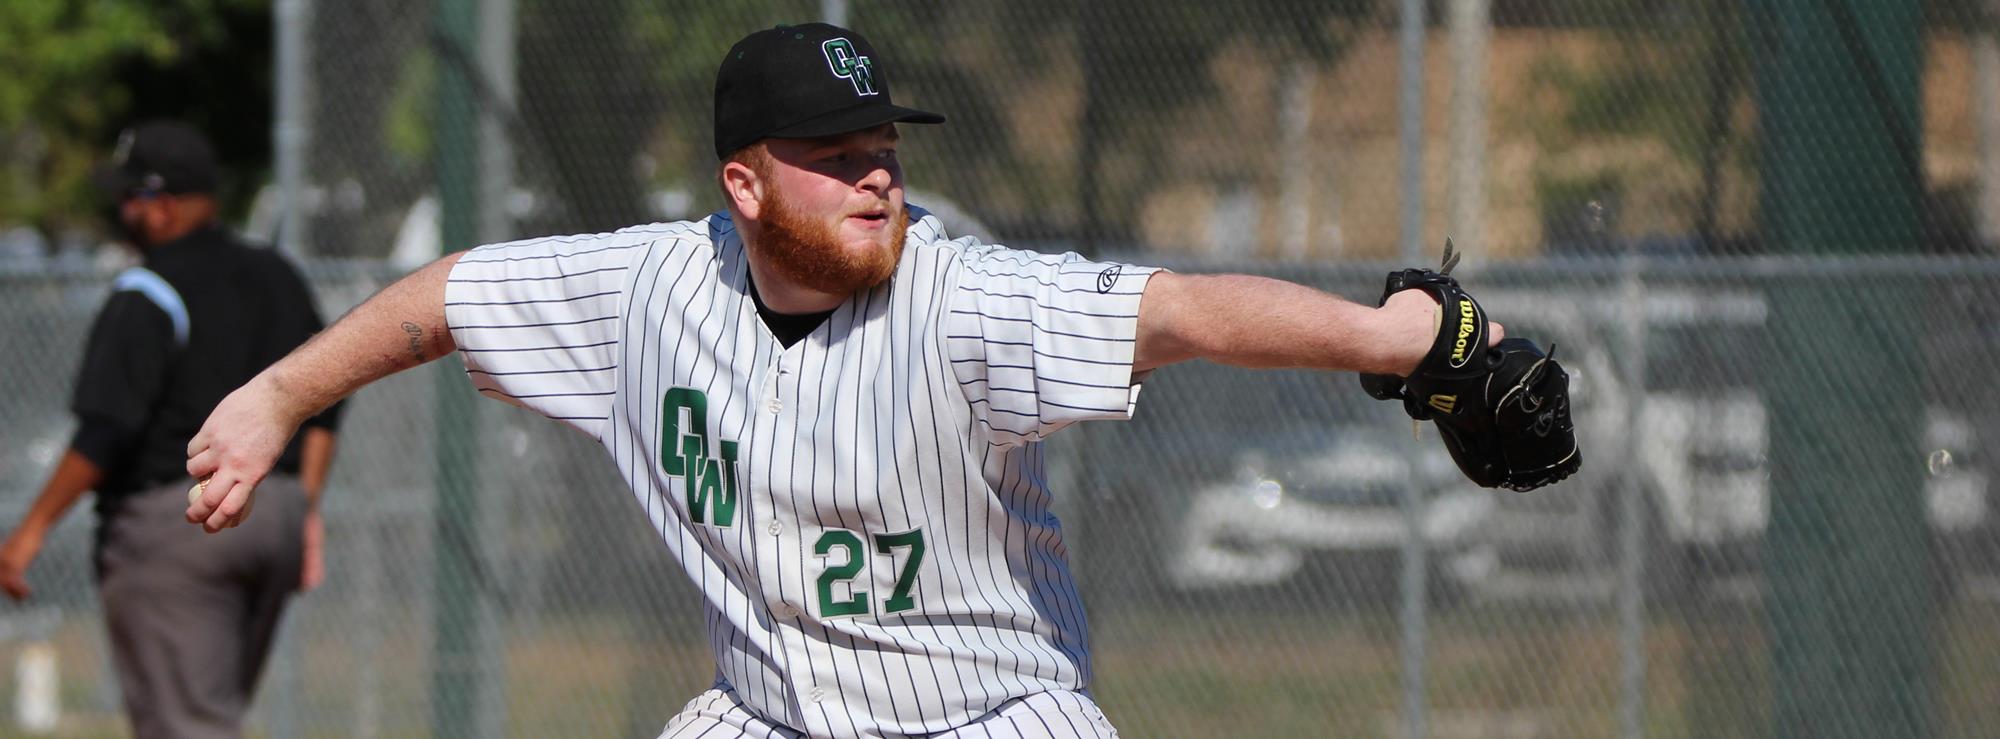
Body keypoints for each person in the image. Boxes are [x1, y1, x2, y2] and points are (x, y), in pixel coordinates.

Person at [182, 24, 1498, 738]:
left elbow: (1184, 309)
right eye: (832, 151)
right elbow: (443, 294)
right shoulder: (648, 289)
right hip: (768, 714)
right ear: (741, 183)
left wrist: (1407, 340)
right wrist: (276, 395)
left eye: (881, 143)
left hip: (990, 711)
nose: (876, 170)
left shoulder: (964, 293)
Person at [0, 121, 343, 739]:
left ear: (159, 205)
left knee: (187, 727)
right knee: (212, 715)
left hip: (182, 523)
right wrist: (306, 507)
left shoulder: (148, 289)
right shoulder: (278, 275)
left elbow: (105, 431)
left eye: (129, 196)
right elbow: (326, 408)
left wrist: (29, 532)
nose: (121, 211)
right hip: (277, 512)